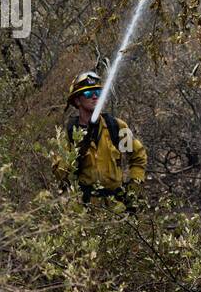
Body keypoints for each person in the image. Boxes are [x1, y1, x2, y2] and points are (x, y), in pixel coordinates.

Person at [55, 71, 147, 210]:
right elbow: (60, 173)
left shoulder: (115, 127)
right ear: (77, 100)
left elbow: (137, 156)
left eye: (98, 92)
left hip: (116, 207)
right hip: (84, 208)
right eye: (87, 93)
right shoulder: (68, 134)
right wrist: (78, 148)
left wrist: (133, 186)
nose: (94, 96)